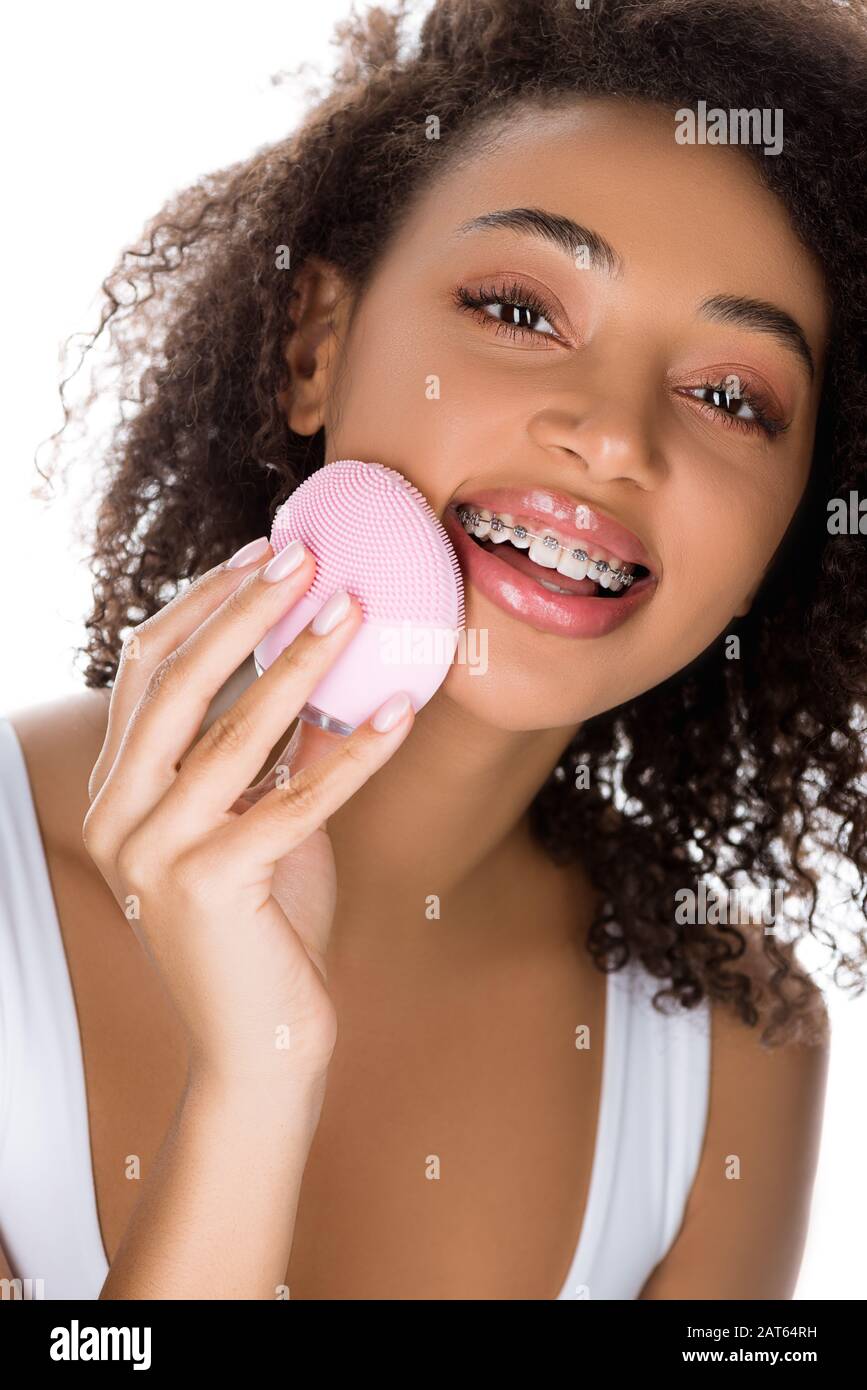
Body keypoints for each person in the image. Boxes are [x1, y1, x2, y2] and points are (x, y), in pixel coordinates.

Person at [3, 0, 863, 1300]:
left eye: (732, 395)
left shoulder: (739, 1049)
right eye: (520, 309)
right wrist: (256, 1079)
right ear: (316, 347)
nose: (617, 436)